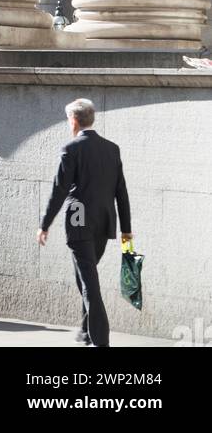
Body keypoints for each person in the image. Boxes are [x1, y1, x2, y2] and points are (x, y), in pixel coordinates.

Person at [38, 97, 132, 349]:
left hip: (79, 222)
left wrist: (44, 224)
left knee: (89, 284)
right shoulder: (112, 148)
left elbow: (59, 190)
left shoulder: (72, 149)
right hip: (104, 224)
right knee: (84, 276)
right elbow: (121, 192)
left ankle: (101, 342)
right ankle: (86, 332)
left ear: (74, 121)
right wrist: (126, 230)